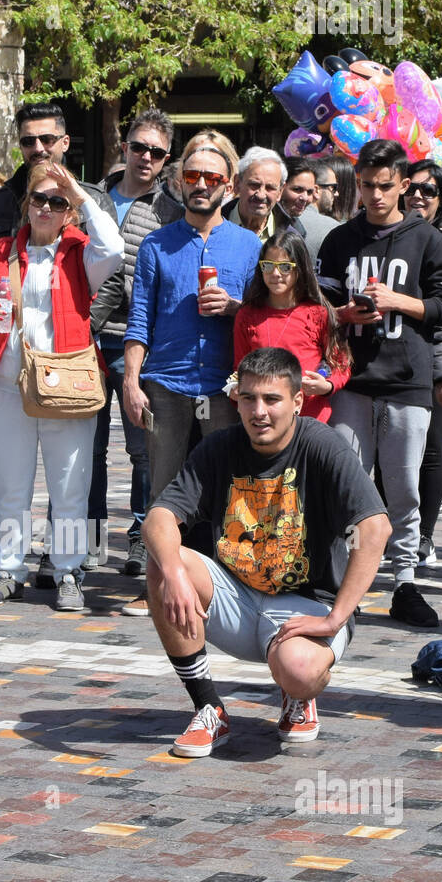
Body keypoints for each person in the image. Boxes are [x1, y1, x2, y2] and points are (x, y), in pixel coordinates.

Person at [143, 346, 390, 753]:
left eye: (272, 399)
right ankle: (209, 708)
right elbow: (159, 518)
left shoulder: (322, 445)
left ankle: (298, 695)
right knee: (163, 557)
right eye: (249, 398)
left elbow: (375, 528)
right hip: (236, 600)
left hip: (306, 605)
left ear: (297, 401)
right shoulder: (220, 446)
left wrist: (335, 620)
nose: (259, 411)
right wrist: (172, 573)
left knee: (299, 670)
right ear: (236, 399)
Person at [316, 137, 442, 630]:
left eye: (384, 186)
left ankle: (404, 580)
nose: (374, 195)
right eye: (365, 186)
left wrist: (399, 302)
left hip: (408, 381)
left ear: (403, 185)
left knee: (403, 488)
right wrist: (344, 312)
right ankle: (342, 582)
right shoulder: (340, 239)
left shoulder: (427, 238)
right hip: (350, 381)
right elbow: (318, 309)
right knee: (347, 486)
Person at [0, 161, 124, 611]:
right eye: (40, 199)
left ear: (69, 210)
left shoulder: (81, 251)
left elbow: (113, 245)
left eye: (59, 203)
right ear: (26, 203)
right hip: (7, 383)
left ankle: (68, 569)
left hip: (67, 381)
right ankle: (8, 570)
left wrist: (79, 191)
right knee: (12, 485)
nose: (48, 209)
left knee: (70, 485)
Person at [123, 129, 261, 532]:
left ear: (230, 187)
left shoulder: (248, 245)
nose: (201, 185)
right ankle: (161, 586)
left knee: (227, 489)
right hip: (166, 384)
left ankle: (221, 587)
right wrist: (132, 382)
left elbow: (260, 319)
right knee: (163, 493)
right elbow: (139, 320)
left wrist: (234, 308)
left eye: (213, 179)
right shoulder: (155, 244)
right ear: (178, 180)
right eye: (192, 176)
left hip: (224, 387)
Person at [82, 107, 181, 580]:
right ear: (124, 147)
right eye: (138, 147)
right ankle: (89, 540)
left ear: (166, 159)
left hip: (137, 341)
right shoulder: (89, 198)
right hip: (81, 338)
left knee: (144, 449)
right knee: (86, 447)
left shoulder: (170, 211)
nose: (145, 158)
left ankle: (141, 538)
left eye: (156, 152)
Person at [403, 158, 442, 569]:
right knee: (394, 456)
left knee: (432, 450)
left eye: (429, 190)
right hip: (391, 362)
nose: (419, 196)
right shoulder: (388, 236)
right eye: (413, 188)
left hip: (438, 360)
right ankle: (398, 531)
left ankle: (424, 535)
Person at [233, 232, 348, 422]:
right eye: (268, 266)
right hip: (264, 421)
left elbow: (341, 363)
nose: (275, 274)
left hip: (310, 418)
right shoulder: (247, 315)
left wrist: (327, 385)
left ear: (299, 269)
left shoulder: (318, 313)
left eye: (285, 267)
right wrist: (237, 389)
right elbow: (238, 369)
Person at [0, 102, 71, 246]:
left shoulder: (91, 201)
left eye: (47, 139)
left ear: (65, 143)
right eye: (28, 141)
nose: (38, 148)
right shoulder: (1, 201)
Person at [226, 146, 300, 243]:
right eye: (254, 185)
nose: (261, 195)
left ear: (280, 192)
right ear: (237, 183)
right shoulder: (211, 227)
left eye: (270, 188)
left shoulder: (291, 236)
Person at [282, 157, 339, 261]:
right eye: (297, 189)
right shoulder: (263, 223)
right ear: (281, 187)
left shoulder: (298, 229)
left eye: (309, 192)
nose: (304, 198)